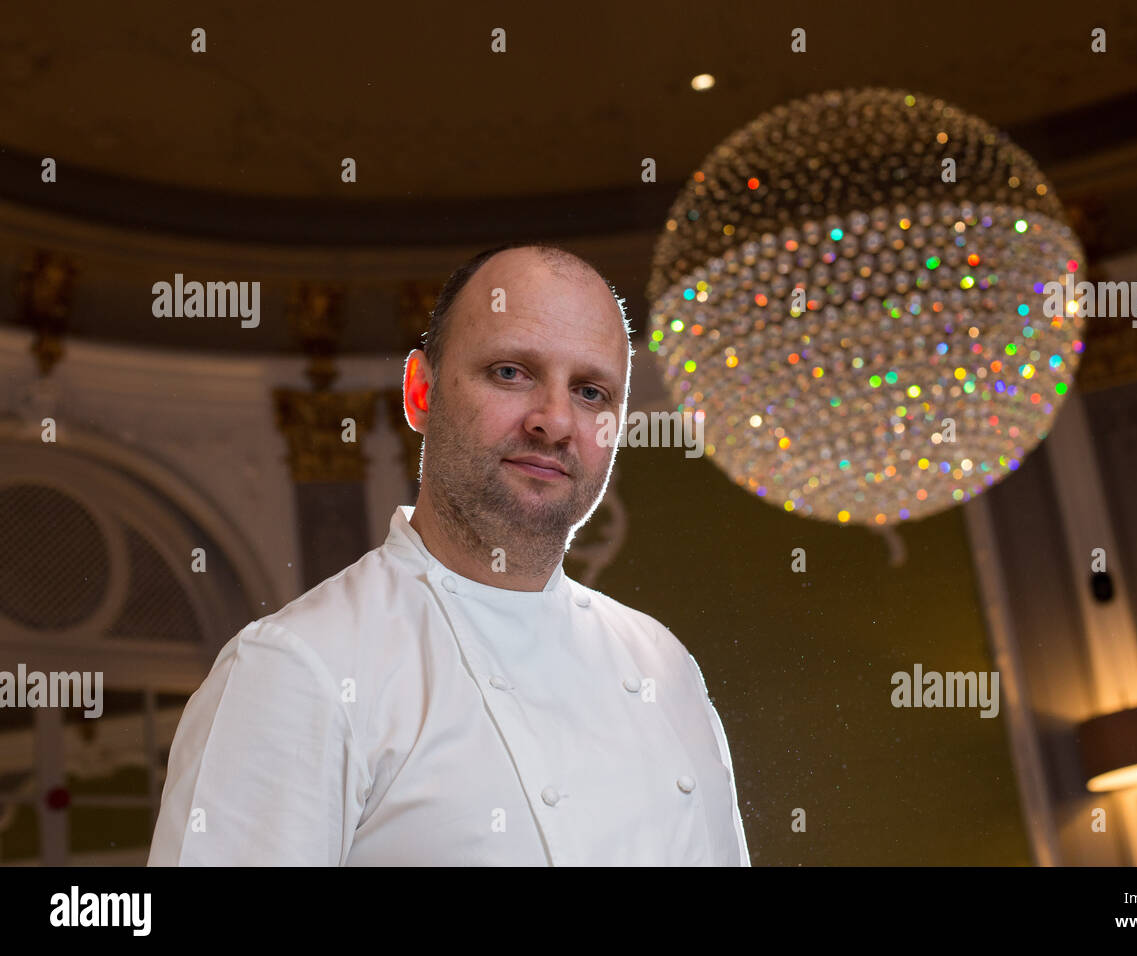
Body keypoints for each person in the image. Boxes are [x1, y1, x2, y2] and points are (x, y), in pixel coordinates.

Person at [147, 242, 750, 866]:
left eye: (592, 392)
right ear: (420, 394)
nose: (555, 421)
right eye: (511, 372)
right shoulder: (299, 670)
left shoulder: (665, 668)